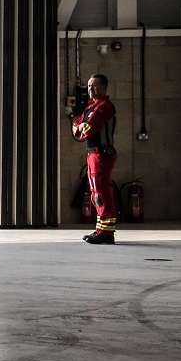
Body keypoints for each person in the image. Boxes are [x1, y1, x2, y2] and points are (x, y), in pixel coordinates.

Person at [72, 73, 118, 245]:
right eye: (89, 86)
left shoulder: (104, 107)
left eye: (94, 85)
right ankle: (100, 230)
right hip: (92, 154)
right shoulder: (90, 108)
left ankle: (107, 233)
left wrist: (82, 127)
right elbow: (76, 127)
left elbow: (89, 129)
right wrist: (80, 126)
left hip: (102, 155)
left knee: (102, 193)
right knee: (95, 193)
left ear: (104, 88)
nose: (90, 89)